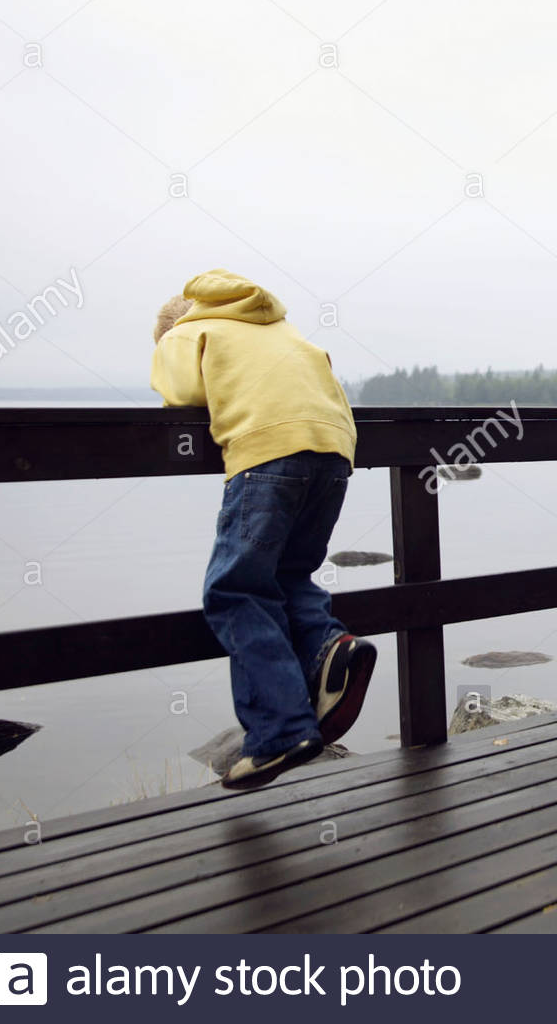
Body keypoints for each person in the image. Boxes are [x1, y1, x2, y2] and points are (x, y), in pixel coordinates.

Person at [151, 269, 375, 789]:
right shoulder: (280, 328)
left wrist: (174, 361)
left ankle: (278, 730)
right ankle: (332, 647)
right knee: (289, 575)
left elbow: (182, 394)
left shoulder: (190, 329)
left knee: (235, 591)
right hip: (335, 452)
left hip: (268, 455)